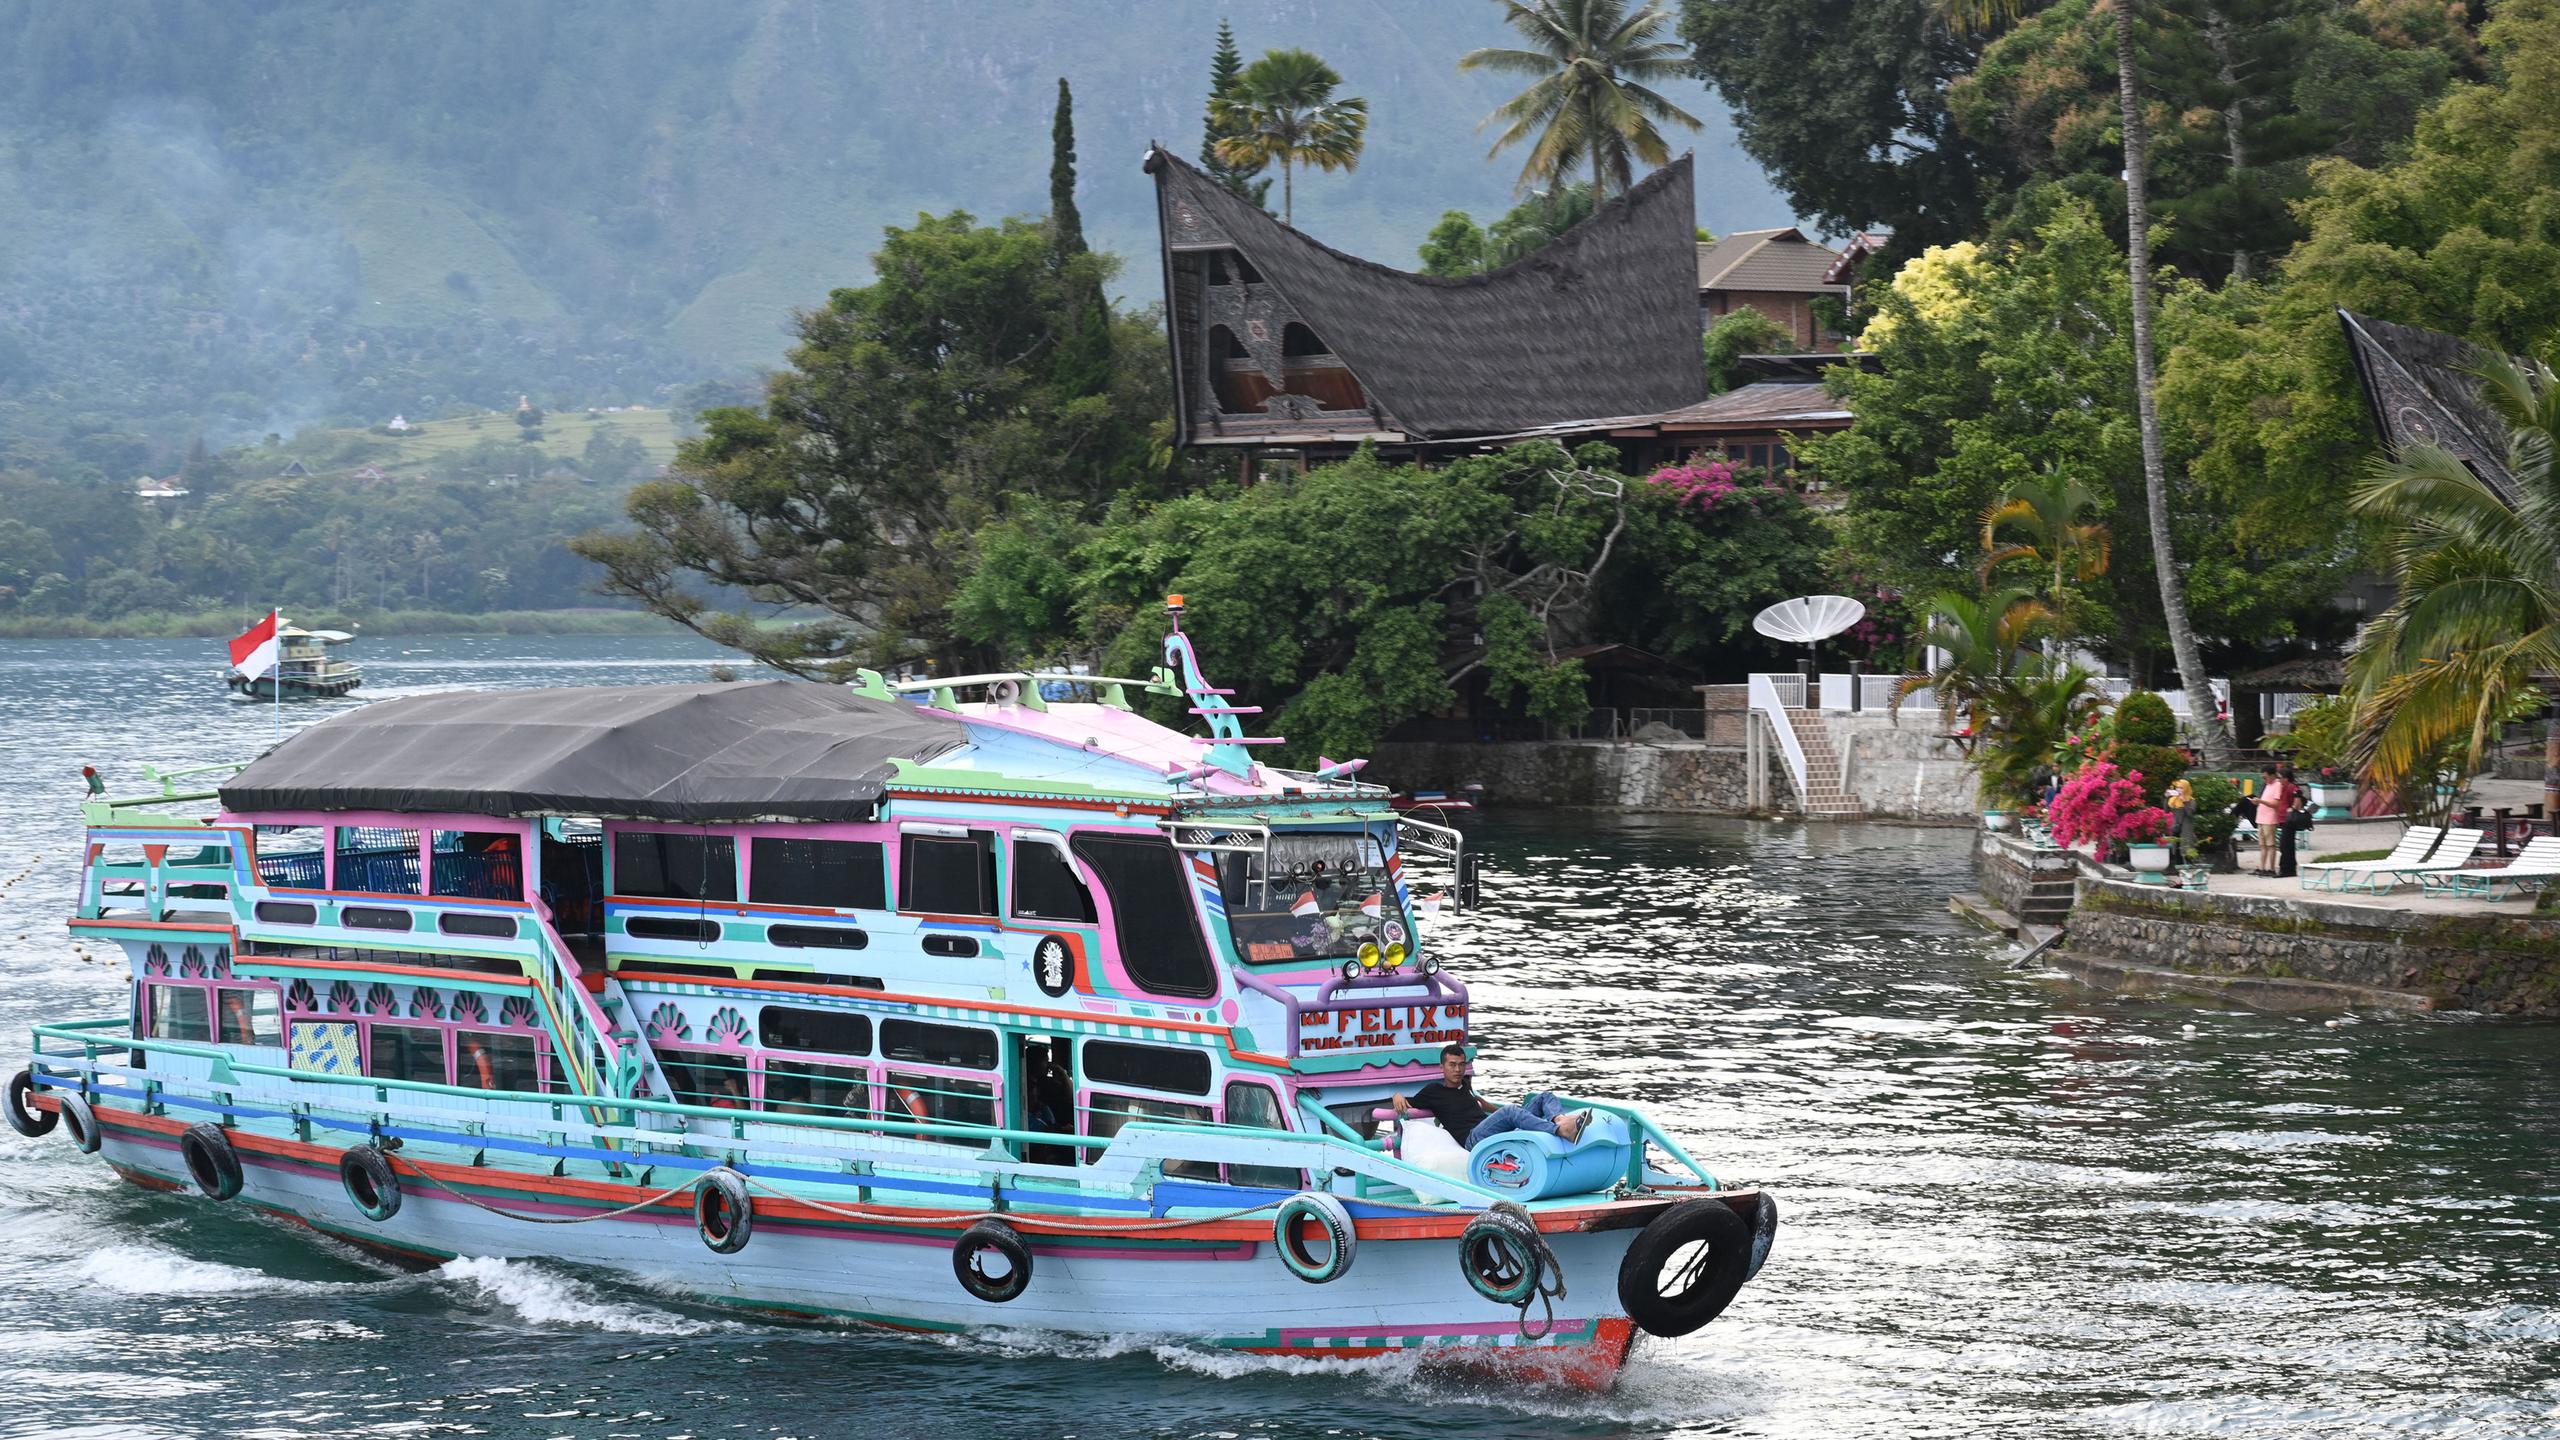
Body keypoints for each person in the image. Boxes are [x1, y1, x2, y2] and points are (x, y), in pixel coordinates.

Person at [1392, 1044, 1587, 1147]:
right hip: (1473, 1139)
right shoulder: (1434, 1090)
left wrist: (1487, 1106)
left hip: (1489, 1128)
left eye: (1461, 1064)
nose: (1458, 1069)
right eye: (1452, 1065)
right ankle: (1560, 1131)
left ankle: (1560, 1120)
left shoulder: (1466, 1086)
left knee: (1544, 1096)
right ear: (1442, 1067)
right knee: (1511, 1111)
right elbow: (1407, 1103)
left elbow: (1492, 1116)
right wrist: (1397, 1095)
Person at [2253, 765, 2294, 876]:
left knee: (2270, 845)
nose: (2264, 779)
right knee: (2262, 845)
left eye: (2265, 777)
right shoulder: (2266, 785)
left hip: (2270, 818)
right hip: (2261, 817)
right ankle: (2262, 867)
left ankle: (2271, 868)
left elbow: (2276, 804)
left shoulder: (2277, 785)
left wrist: (2261, 801)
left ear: (2272, 775)